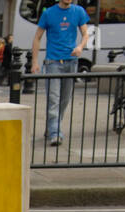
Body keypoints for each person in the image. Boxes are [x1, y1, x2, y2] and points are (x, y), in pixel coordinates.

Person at [31, 0, 89, 145]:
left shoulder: (79, 11)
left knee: (64, 99)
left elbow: (85, 34)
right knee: (54, 99)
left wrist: (80, 47)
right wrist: (34, 62)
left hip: (71, 61)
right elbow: (37, 37)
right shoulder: (48, 13)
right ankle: (56, 133)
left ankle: (51, 127)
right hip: (53, 63)